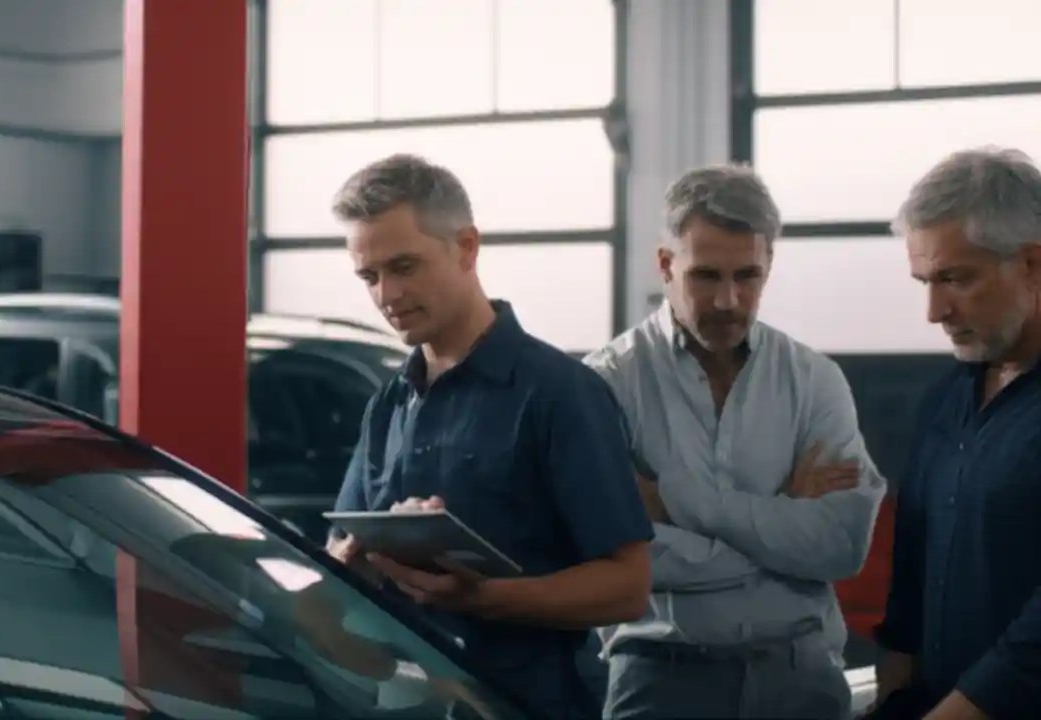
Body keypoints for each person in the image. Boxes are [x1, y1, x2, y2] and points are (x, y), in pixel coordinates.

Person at [325, 152, 654, 720]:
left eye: (405, 266)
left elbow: (626, 587)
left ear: (467, 248)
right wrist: (353, 563)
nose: (386, 295)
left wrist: (485, 598)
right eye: (369, 276)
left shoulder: (561, 393)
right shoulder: (388, 405)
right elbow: (341, 561)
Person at [583, 164, 886, 719]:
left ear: (769, 264)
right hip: (659, 681)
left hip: (801, 682)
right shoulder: (607, 383)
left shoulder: (814, 379)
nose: (728, 301)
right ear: (665, 265)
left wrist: (675, 502)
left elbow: (840, 546)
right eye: (706, 276)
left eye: (747, 276)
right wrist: (780, 523)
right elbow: (610, 554)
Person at [867, 147, 1041, 720]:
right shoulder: (947, 399)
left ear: (1032, 265)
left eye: (955, 279)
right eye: (924, 281)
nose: (934, 310)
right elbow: (912, 569)